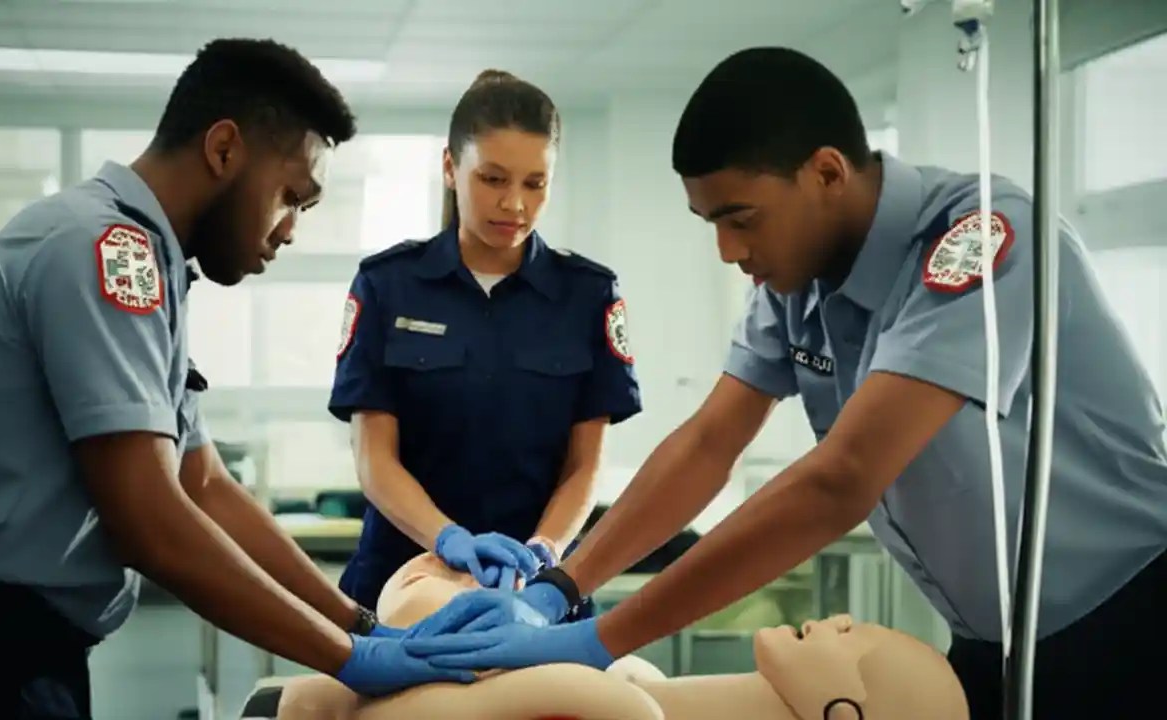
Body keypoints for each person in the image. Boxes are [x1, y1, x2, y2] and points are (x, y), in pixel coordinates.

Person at [403, 47, 1167, 720]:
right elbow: (709, 443)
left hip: (1132, 618)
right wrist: (562, 588)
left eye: (741, 219)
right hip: (988, 639)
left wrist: (600, 638)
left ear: (826, 172)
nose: (730, 250)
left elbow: (843, 481)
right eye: (711, 224)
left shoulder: (982, 240)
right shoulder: (793, 283)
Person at [0, 38, 472, 719]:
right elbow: (153, 524)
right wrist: (350, 658)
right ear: (224, 149)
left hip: (9, 650)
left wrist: (361, 623)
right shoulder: (103, 249)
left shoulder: (148, 265)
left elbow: (204, 486)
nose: (288, 232)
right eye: (290, 196)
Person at [328, 69, 642, 612]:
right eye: (493, 179)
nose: (515, 205)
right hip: (401, 582)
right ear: (451, 169)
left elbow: (585, 465)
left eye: (535, 183)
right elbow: (374, 456)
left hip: (536, 588)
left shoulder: (588, 295)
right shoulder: (389, 285)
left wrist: (546, 549)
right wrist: (448, 540)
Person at [240, 551, 968, 720]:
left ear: (845, 714)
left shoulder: (617, 704)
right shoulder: (632, 688)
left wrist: (427, 591)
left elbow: (404, 655)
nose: (841, 619)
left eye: (859, 640)